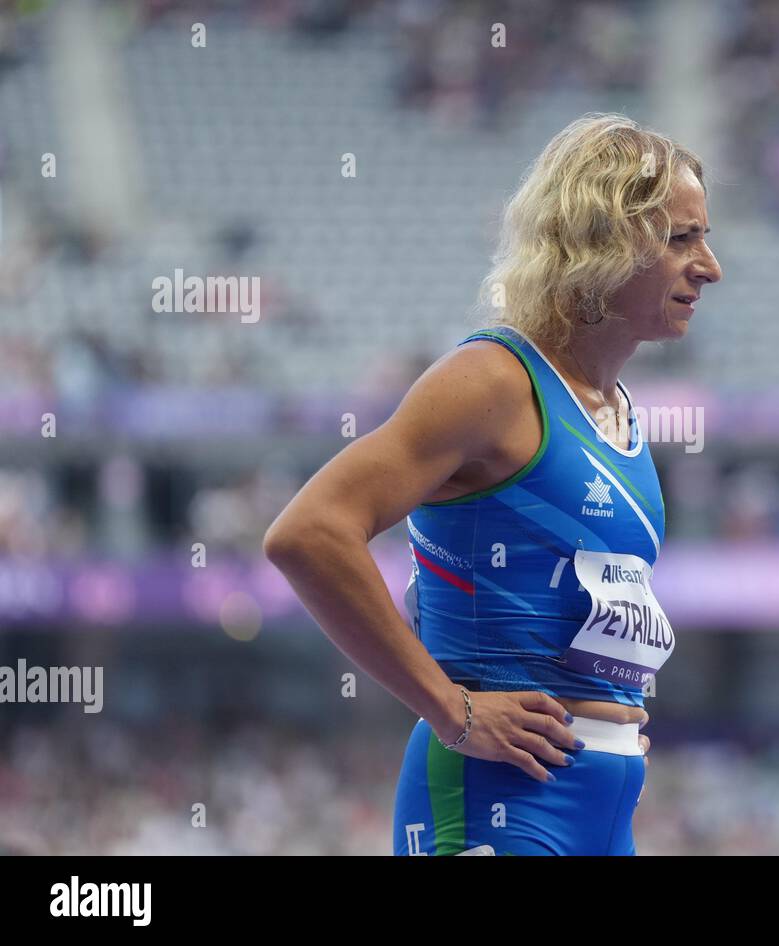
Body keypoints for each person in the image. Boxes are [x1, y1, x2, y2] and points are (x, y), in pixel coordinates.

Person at [263, 113, 722, 855]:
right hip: (498, 799)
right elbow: (308, 534)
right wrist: (451, 710)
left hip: (605, 806)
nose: (710, 265)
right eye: (681, 239)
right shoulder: (493, 382)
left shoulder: (622, 414)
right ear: (605, 243)